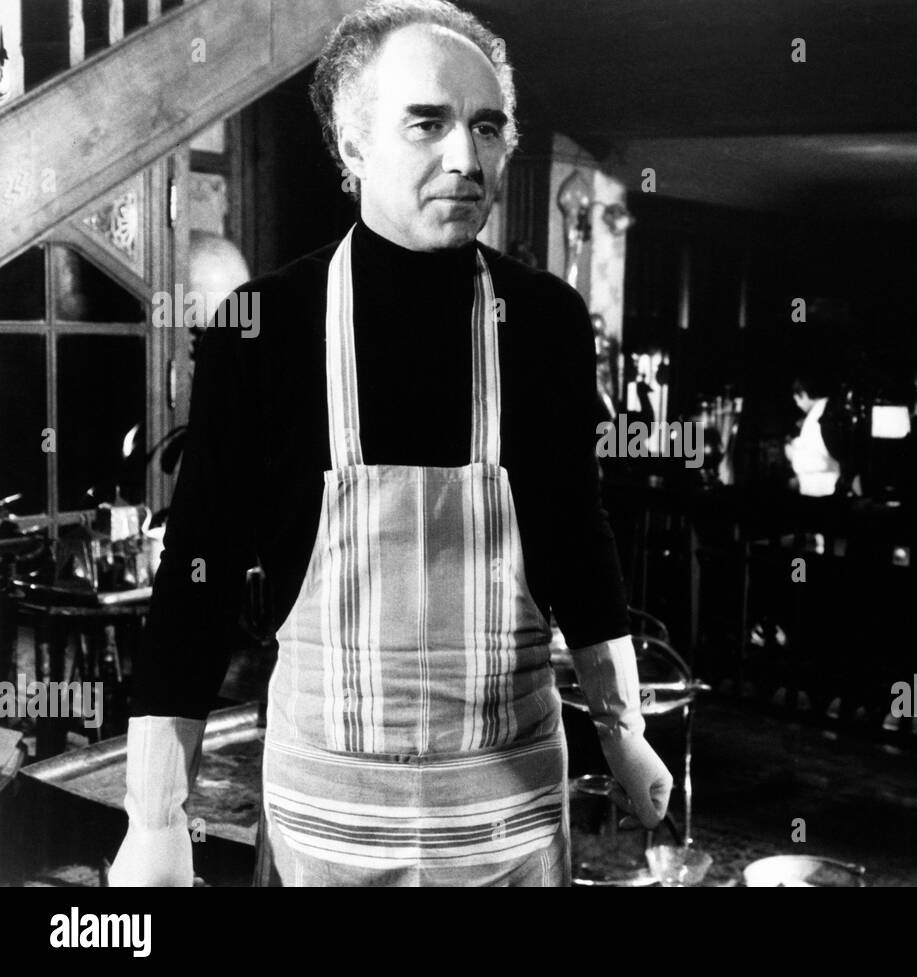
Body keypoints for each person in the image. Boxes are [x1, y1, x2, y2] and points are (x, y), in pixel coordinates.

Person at [109, 0, 671, 887]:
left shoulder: (544, 323)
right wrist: (154, 815)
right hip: (330, 824)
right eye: (428, 123)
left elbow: (577, 537)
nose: (466, 158)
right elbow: (198, 572)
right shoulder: (264, 327)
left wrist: (621, 727)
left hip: (506, 820)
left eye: (488, 128)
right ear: (354, 141)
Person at [785, 376, 840, 497]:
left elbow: (821, 459)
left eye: (797, 400)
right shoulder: (821, 411)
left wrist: (792, 455)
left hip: (824, 490)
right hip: (822, 488)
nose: (798, 405)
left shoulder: (820, 416)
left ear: (803, 394)